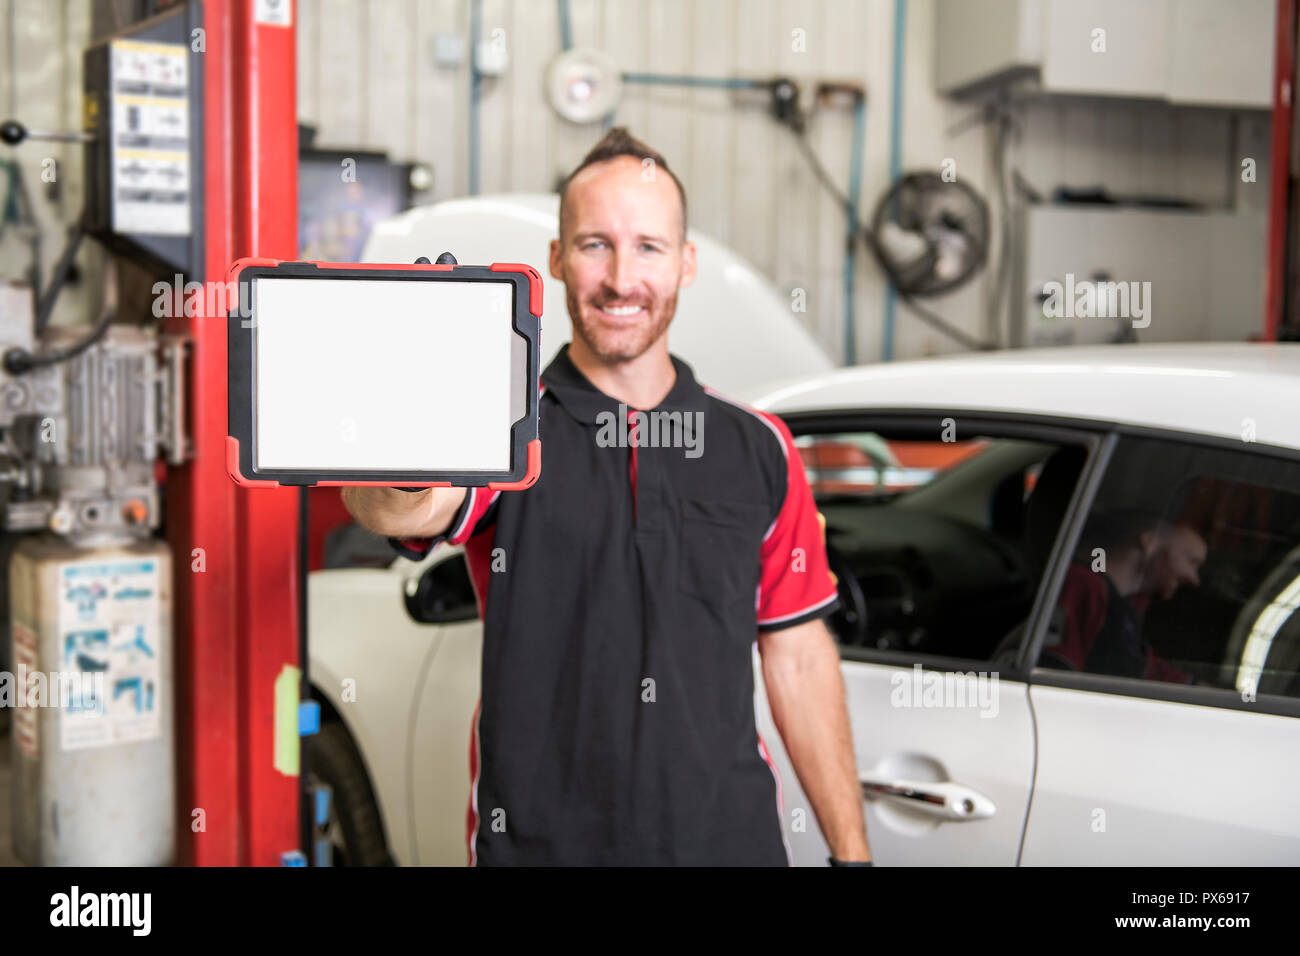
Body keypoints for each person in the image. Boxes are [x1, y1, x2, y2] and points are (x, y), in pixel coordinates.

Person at [343, 127, 871, 866]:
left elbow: (799, 656)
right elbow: (400, 510)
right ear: (557, 259)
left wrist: (853, 855)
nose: (623, 278)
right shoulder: (506, 424)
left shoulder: (758, 447)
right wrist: (407, 438)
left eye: (649, 247)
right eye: (595, 244)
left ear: (686, 264)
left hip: (729, 845)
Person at [1045, 509, 1207, 684]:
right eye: (1192, 561)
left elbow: (1148, 669)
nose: (1194, 579)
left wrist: (1196, 686)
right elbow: (1054, 673)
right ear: (1150, 542)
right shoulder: (1084, 586)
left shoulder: (1126, 609)